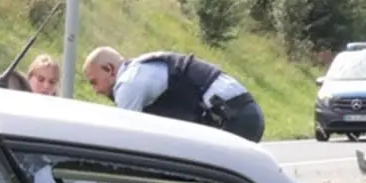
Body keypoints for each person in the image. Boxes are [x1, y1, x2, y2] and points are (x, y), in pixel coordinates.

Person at [83, 45, 266, 142]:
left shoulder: (128, 84)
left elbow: (125, 140)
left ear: (109, 69)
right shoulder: (142, 68)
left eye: (94, 82)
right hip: (240, 111)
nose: (96, 91)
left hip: (233, 118)